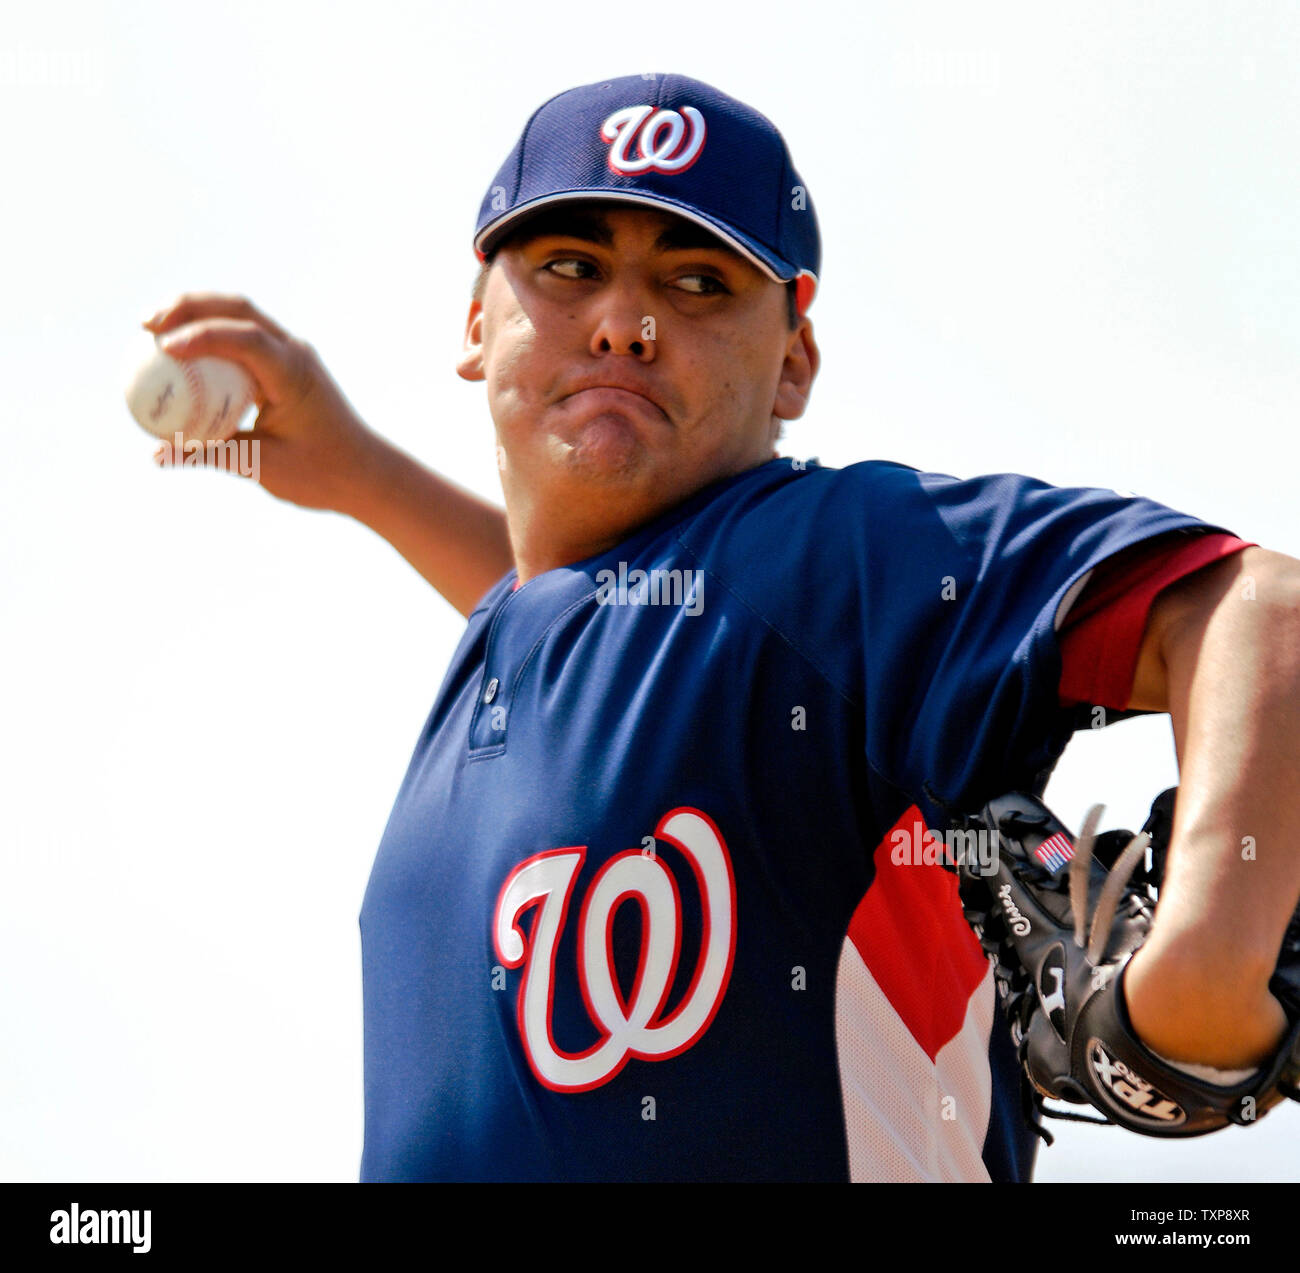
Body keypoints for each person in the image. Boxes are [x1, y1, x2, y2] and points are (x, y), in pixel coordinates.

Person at [144, 72, 1300, 1182]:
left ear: (793, 355)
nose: (625, 322)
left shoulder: (827, 555)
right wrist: (357, 470)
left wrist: (1202, 963)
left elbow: (1261, 605)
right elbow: (591, 636)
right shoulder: (531, 637)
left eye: (698, 282)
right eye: (568, 265)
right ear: (474, 322)